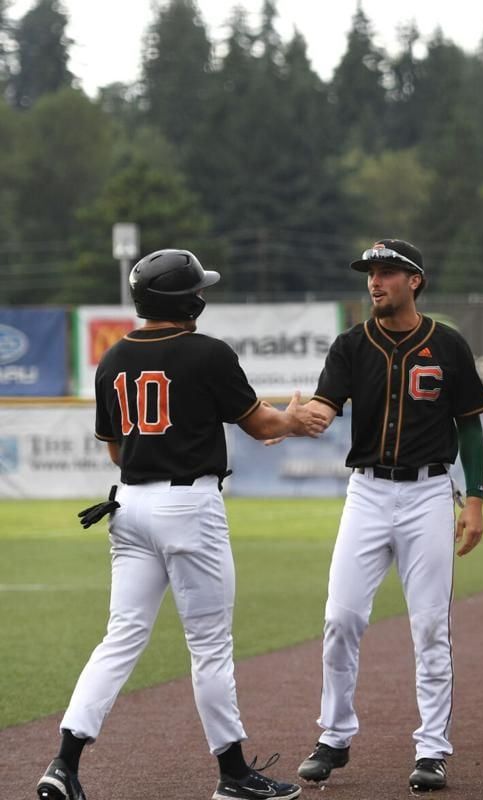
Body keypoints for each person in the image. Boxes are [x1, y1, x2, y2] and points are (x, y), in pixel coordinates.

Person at [37, 249, 328, 800]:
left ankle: (63, 764)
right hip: (188, 507)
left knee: (120, 638)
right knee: (210, 646)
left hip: (129, 506)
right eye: (199, 289)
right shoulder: (208, 353)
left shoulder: (113, 357)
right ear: (187, 298)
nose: (204, 295)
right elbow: (261, 422)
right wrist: (293, 420)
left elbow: (117, 451)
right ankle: (234, 775)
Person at [292, 240, 483, 793]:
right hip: (368, 493)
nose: (375, 282)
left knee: (429, 625)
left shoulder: (448, 345)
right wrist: (302, 417)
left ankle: (432, 749)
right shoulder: (351, 345)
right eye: (371, 273)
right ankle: (334, 735)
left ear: (414, 281)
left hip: (429, 493)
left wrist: (474, 498)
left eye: (386, 272)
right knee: (340, 618)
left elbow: (471, 426)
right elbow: (326, 407)